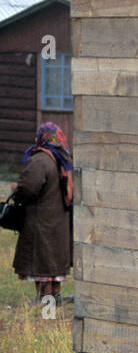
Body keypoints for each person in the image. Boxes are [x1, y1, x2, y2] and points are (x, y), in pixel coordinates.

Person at [9, 122, 74, 305]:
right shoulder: (63, 160)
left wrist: (16, 190)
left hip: (42, 222)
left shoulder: (40, 160)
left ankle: (46, 303)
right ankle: (54, 299)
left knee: (43, 264)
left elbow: (28, 189)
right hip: (59, 221)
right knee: (53, 266)